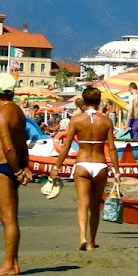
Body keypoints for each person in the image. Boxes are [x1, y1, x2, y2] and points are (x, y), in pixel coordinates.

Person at [50, 87, 122, 251]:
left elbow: (66, 146)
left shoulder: (76, 120)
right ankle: (91, 242)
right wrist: (117, 172)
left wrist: (56, 167)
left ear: (84, 100)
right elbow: (112, 148)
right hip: (100, 165)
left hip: (82, 163)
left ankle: (82, 237)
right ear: (99, 102)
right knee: (95, 205)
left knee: (82, 203)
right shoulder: (106, 121)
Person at [0, 72, 33, 276]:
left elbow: (9, 147)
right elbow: (22, 144)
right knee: (11, 217)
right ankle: (13, 262)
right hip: (12, 165)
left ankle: (9, 264)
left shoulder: (2, 113)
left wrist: (16, 170)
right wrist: (26, 167)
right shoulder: (18, 111)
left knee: (8, 218)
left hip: (5, 166)